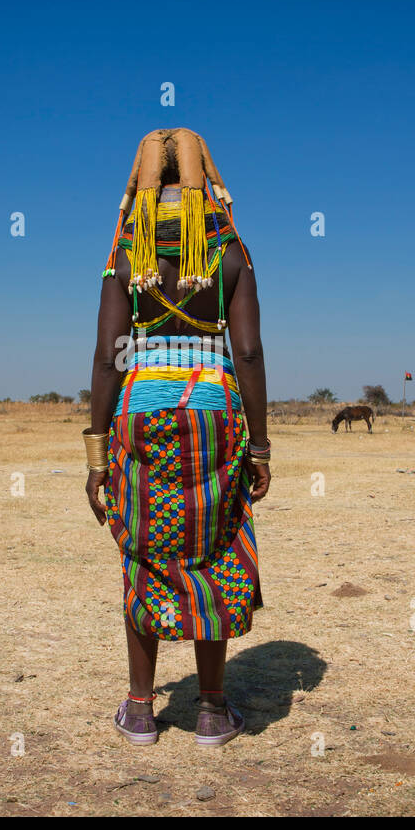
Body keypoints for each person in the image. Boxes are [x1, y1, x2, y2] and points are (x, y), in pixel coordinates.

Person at [83, 128, 270, 747]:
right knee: (214, 556)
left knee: (144, 555)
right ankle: (213, 712)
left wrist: (95, 456)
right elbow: (245, 350)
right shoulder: (231, 254)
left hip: (140, 423)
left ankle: (141, 710)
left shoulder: (126, 253)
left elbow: (110, 360)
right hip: (214, 423)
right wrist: (261, 448)